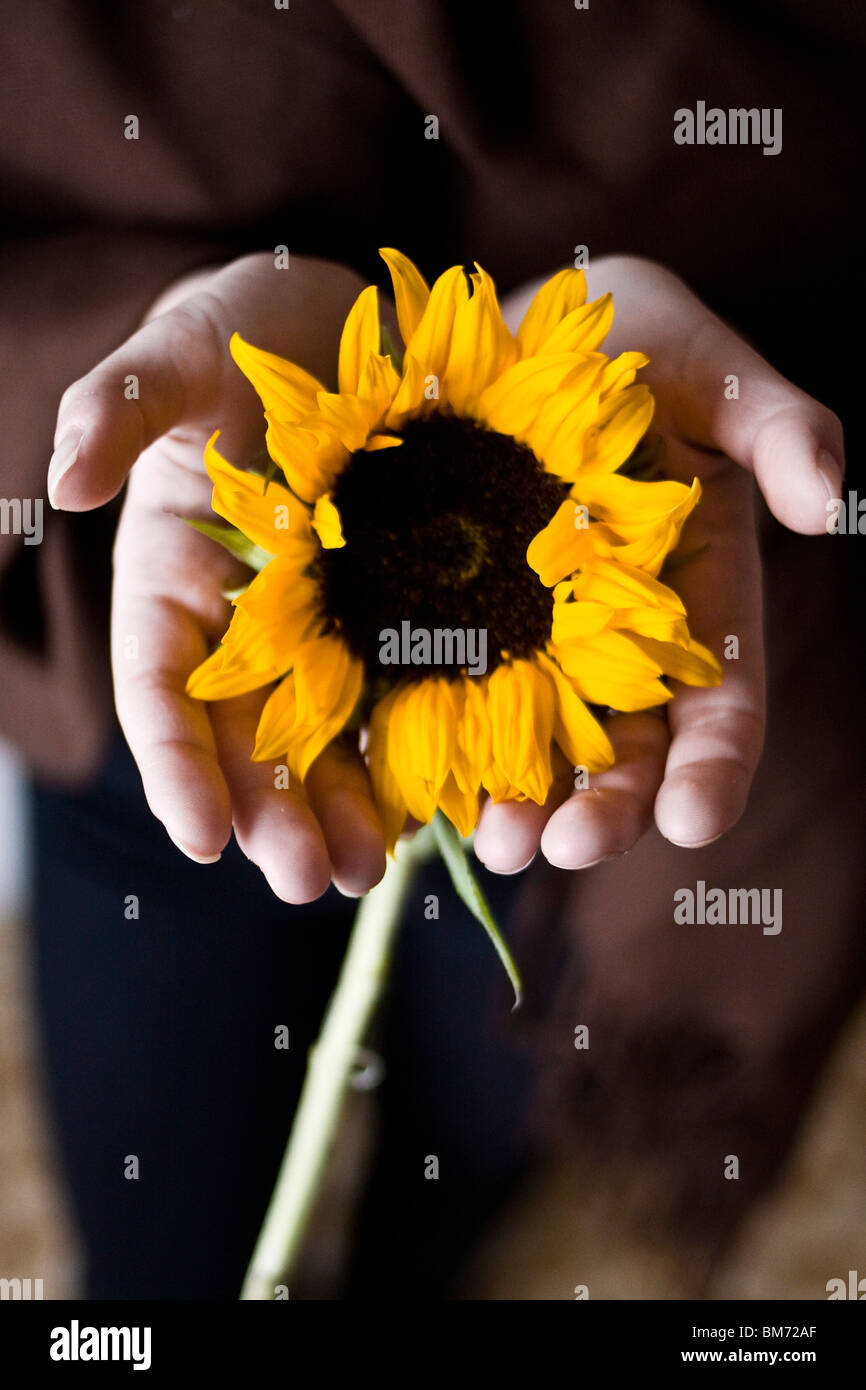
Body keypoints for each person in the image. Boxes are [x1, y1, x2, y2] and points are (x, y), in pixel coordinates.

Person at [2, 1, 864, 1298]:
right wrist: (178, 327)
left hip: (597, 665)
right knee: (163, 1226)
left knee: (476, 1098)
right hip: (165, 607)